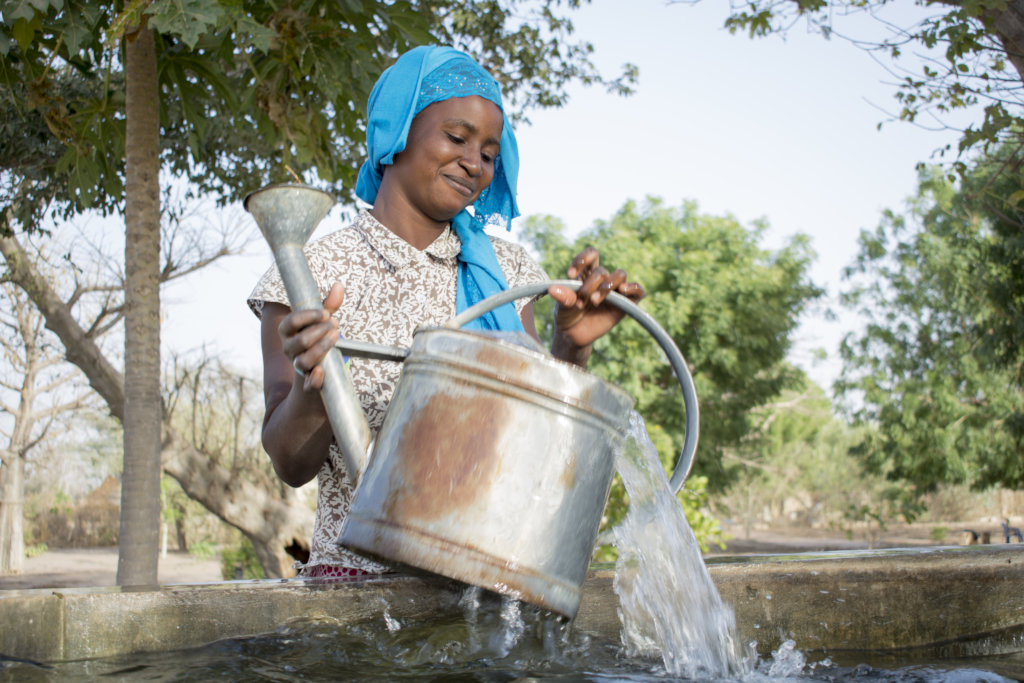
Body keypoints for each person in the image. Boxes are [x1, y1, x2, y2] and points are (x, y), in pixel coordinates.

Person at [247, 45, 645, 579]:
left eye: (488, 152)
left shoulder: (505, 271)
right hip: (359, 593)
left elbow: (541, 446)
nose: (474, 163)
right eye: (456, 138)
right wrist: (313, 380)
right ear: (396, 134)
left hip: (491, 585)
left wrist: (572, 346)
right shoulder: (308, 271)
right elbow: (291, 465)